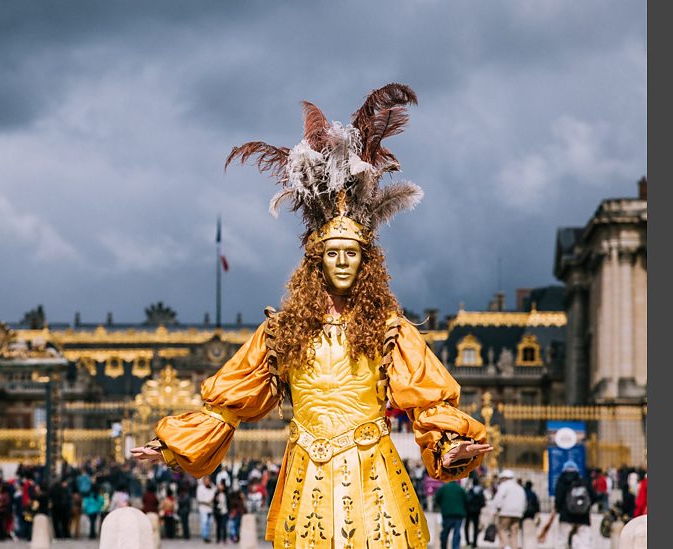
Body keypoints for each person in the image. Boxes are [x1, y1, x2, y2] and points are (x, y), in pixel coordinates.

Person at [130, 82, 491, 549]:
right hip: (307, 472)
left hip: (373, 474)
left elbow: (428, 404)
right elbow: (227, 404)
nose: (342, 262)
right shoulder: (281, 332)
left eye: (351, 254)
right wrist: (171, 444)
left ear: (366, 263)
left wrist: (450, 443)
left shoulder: (390, 331)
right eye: (333, 253)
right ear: (316, 261)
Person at [539, 461, 594, 549]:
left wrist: (558, 509)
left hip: (566, 516)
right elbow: (593, 497)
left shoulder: (561, 481)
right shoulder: (584, 481)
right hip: (583, 517)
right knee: (584, 543)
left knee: (562, 542)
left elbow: (559, 499)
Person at [489, 470, 526, 549]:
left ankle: (506, 546)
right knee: (514, 533)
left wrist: (495, 510)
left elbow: (498, 499)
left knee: (502, 530)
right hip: (518, 514)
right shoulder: (519, 488)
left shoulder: (504, 486)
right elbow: (524, 502)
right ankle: (514, 547)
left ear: (505, 478)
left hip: (505, 512)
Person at [434, 479, 468, 549]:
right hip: (458, 514)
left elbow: (436, 498)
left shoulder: (443, 488)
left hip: (447, 513)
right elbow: (466, 500)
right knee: (456, 533)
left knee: (445, 532)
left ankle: (443, 547)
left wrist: (442, 505)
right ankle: (455, 547)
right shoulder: (460, 489)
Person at [463, 475, 486, 549]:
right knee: (475, 528)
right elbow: (483, 503)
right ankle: (475, 542)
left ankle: (467, 541)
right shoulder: (481, 492)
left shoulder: (470, 491)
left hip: (469, 511)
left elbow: (466, 500)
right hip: (477, 511)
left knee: (466, 526)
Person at [195, 476, 217, 543]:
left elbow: (215, 492)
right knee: (204, 522)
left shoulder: (212, 487)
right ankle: (205, 537)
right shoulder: (200, 488)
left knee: (210, 523)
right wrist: (207, 502)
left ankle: (207, 536)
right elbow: (199, 499)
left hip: (210, 508)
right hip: (203, 508)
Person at [522, 480, 541, 548]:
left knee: (522, 532)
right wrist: (537, 514)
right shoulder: (533, 494)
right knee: (529, 533)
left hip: (523, 514)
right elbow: (537, 505)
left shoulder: (523, 493)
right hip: (531, 515)